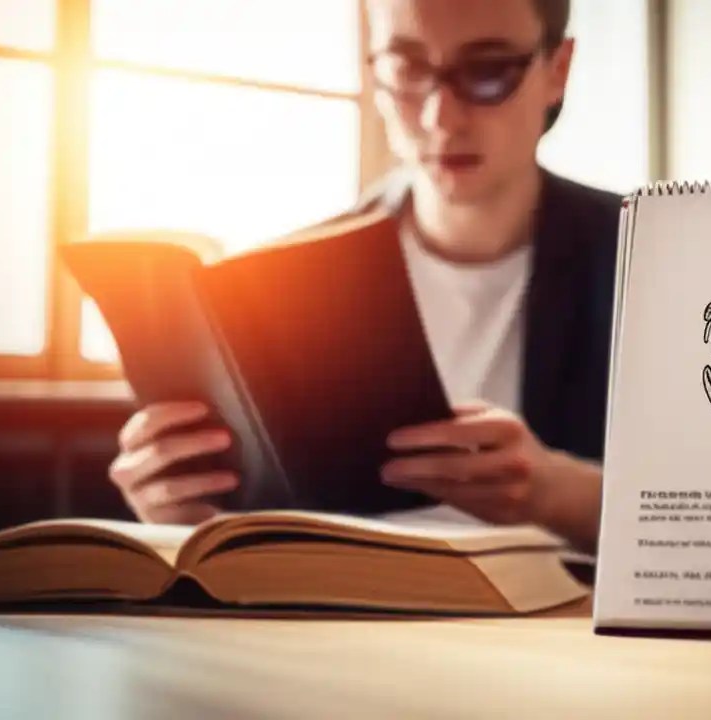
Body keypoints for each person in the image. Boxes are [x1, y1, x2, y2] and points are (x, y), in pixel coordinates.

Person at [107, 0, 619, 554]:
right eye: (407, 71)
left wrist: (554, 493)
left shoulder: (643, 256)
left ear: (557, 72)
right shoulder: (290, 281)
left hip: (561, 622)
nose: (439, 117)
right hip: (332, 613)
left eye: (487, 70)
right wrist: (186, 514)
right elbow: (268, 532)